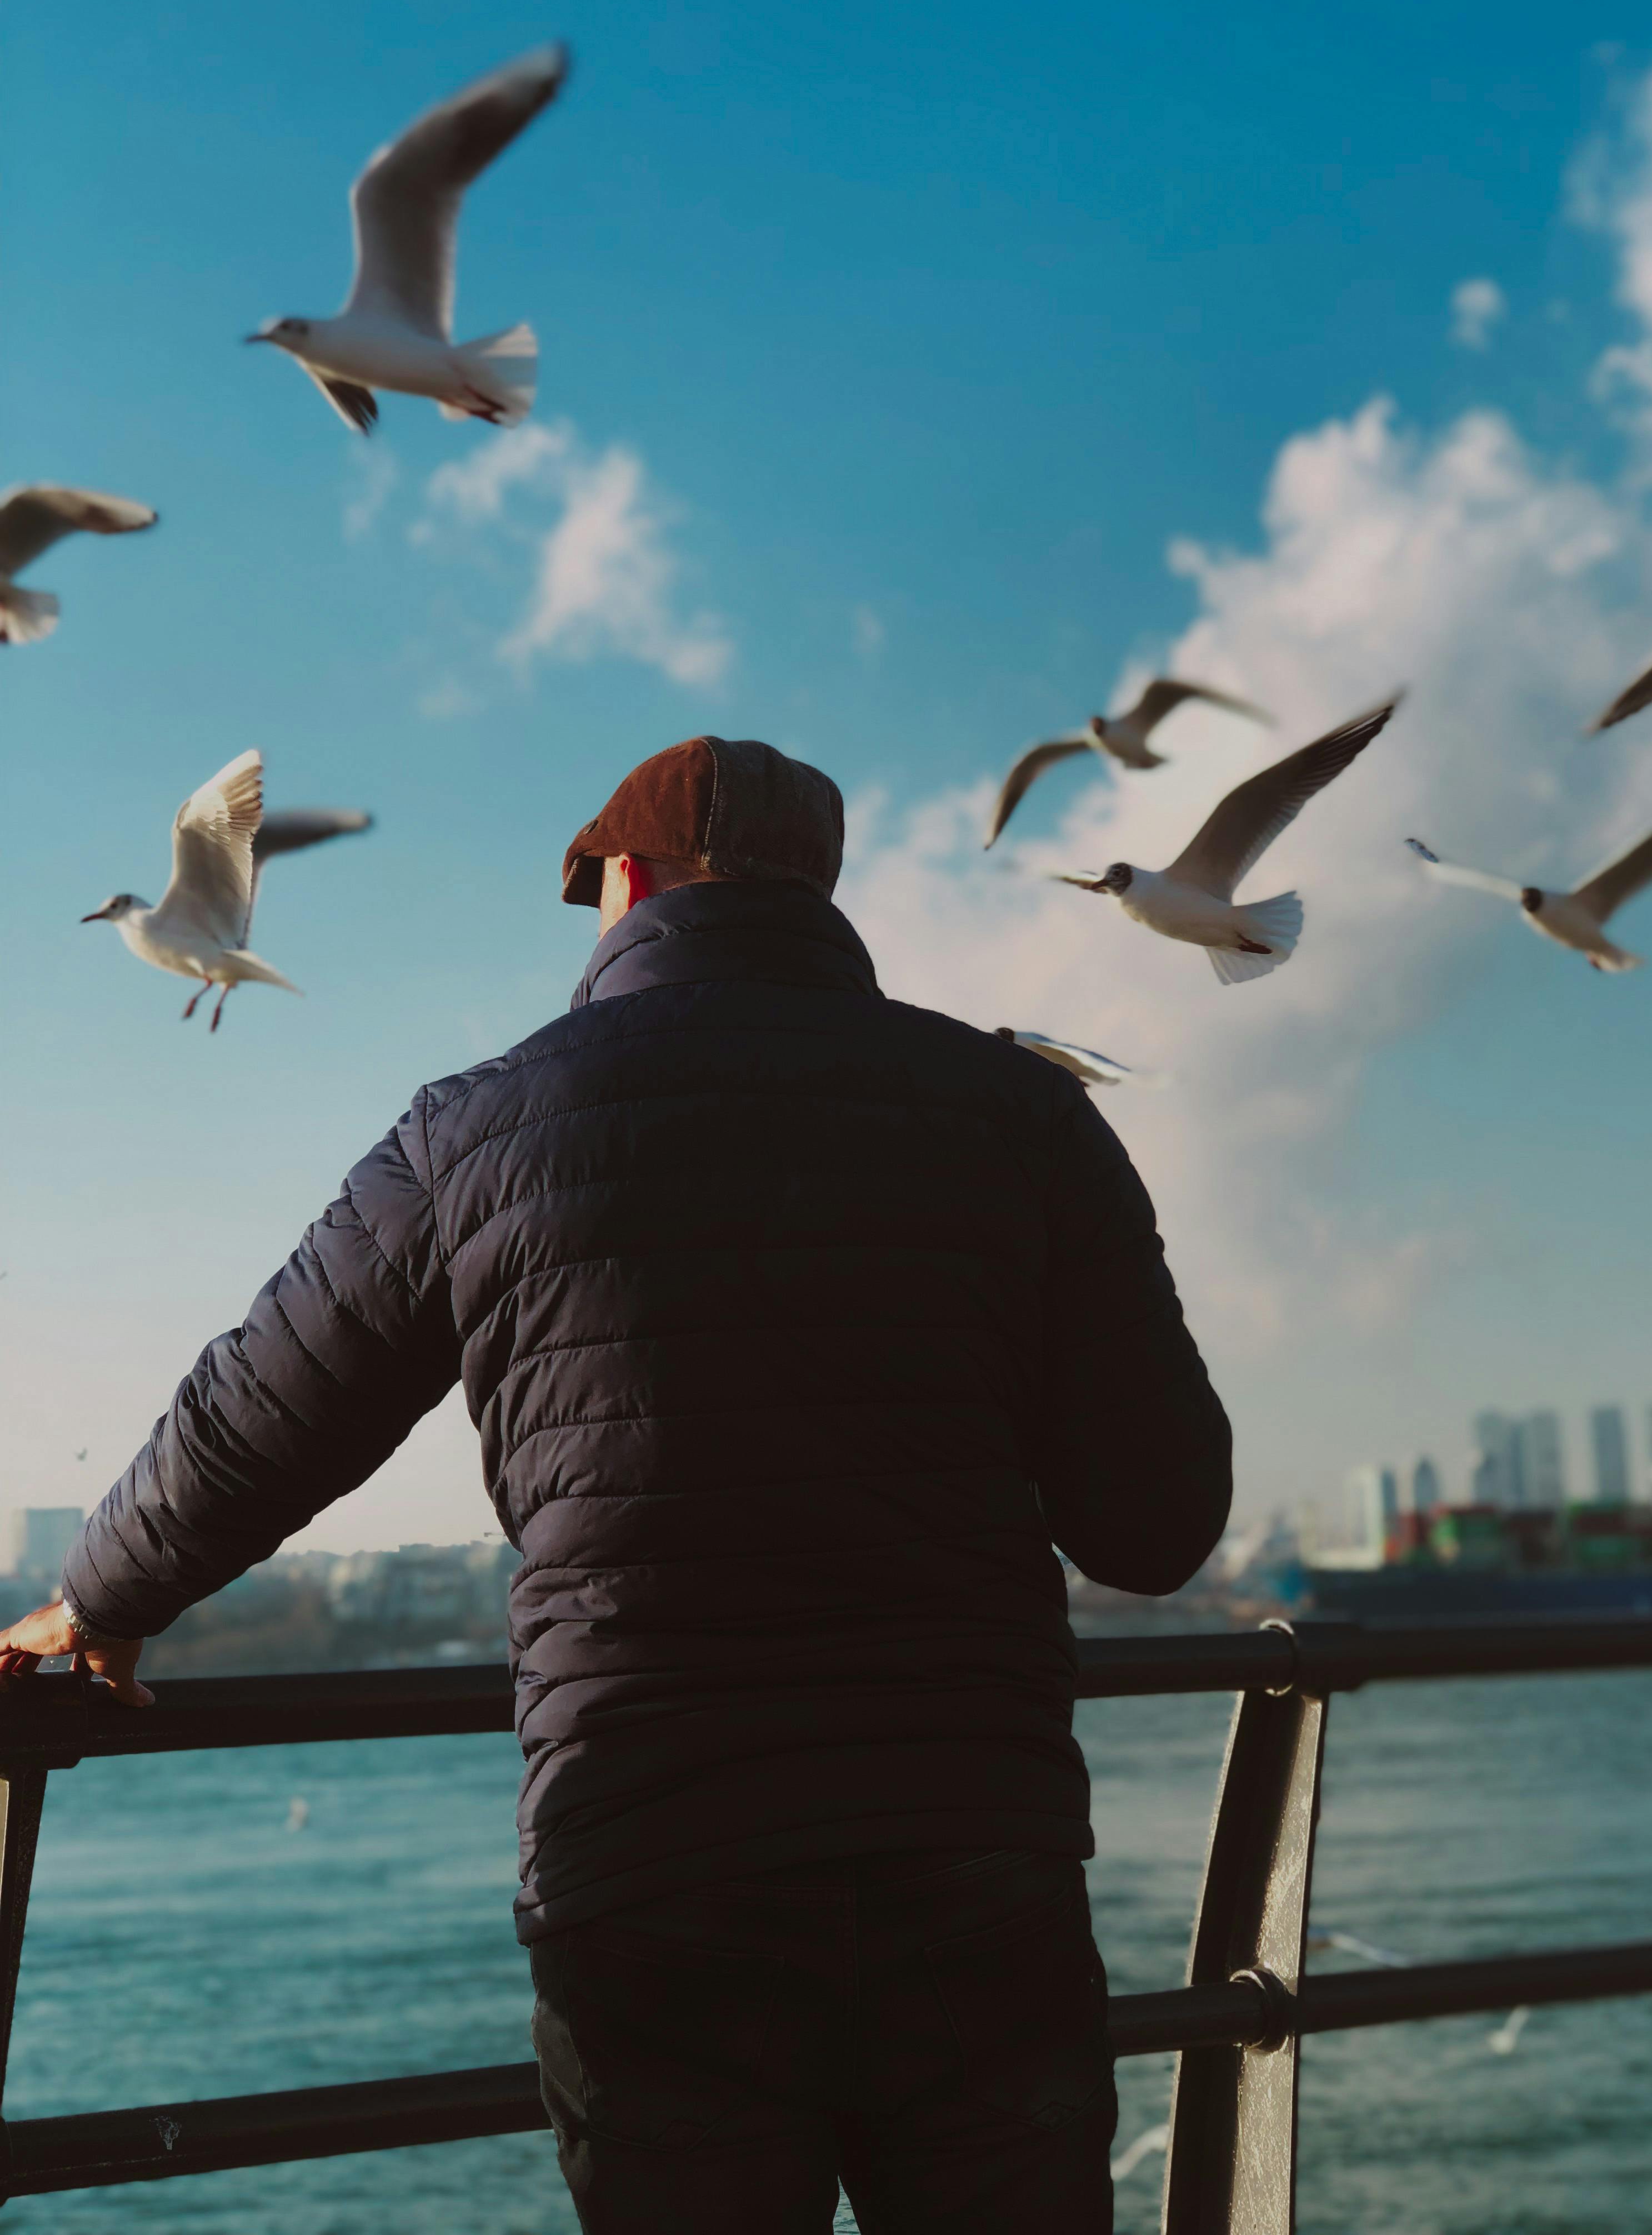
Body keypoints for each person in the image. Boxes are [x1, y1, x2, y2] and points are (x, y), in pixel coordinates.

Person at [0, 735, 1231, 2233]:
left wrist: (103, 1596)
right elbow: (1159, 1528)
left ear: (626, 881)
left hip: (652, 1856)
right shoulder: (1026, 1117)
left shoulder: (479, 1126)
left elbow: (267, 1408)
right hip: (972, 1847)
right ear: (818, 889)